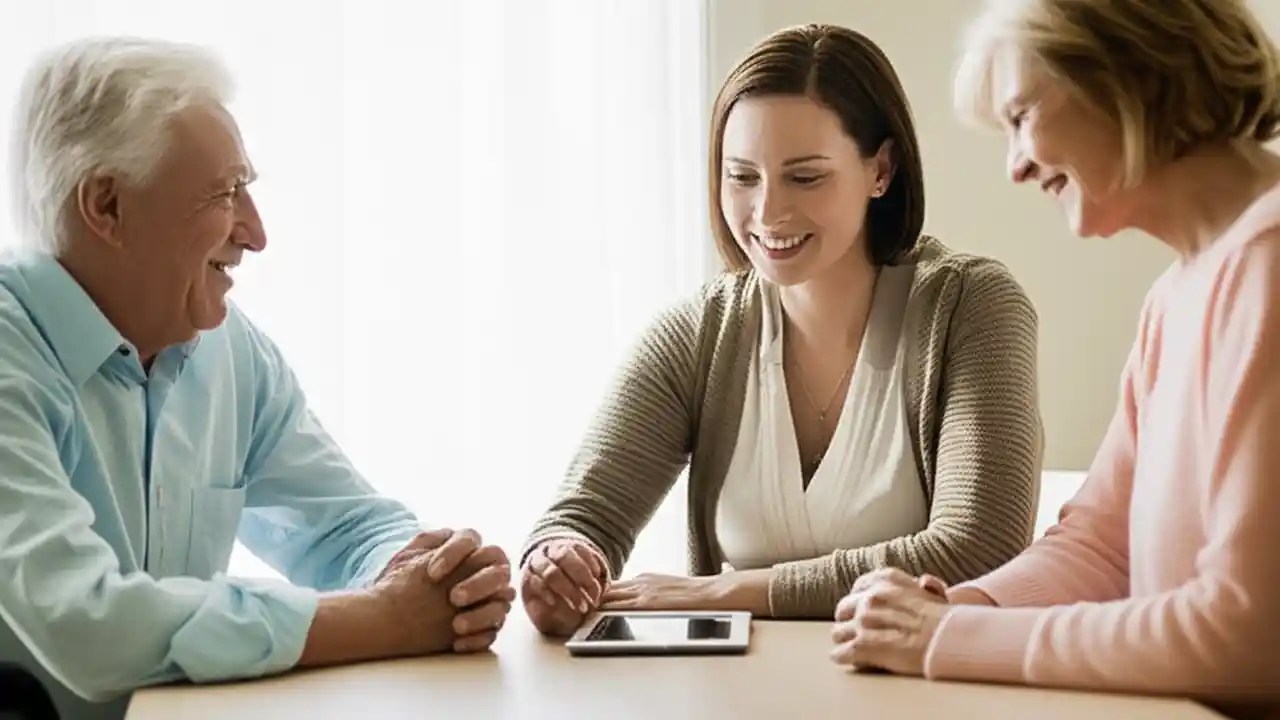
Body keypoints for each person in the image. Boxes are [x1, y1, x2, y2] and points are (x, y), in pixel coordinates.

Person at [0, 38, 514, 720]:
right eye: (225, 193)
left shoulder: (226, 348)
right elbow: (89, 622)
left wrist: (431, 577)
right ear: (107, 206)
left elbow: (345, 527)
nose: (256, 232)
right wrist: (386, 618)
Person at [830, 1, 1280, 717]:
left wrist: (947, 638)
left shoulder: (1268, 268)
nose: (1015, 166)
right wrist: (952, 609)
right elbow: (1102, 547)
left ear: (1125, 71)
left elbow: (1250, 636)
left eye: (1020, 116)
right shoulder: (1177, 295)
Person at [519, 23, 1044, 635]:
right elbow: (582, 519)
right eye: (742, 176)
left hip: (910, 683)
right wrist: (560, 563)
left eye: (804, 177)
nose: (767, 211)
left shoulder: (973, 307)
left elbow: (979, 548)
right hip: (739, 685)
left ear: (881, 169)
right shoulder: (698, 334)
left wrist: (729, 591)